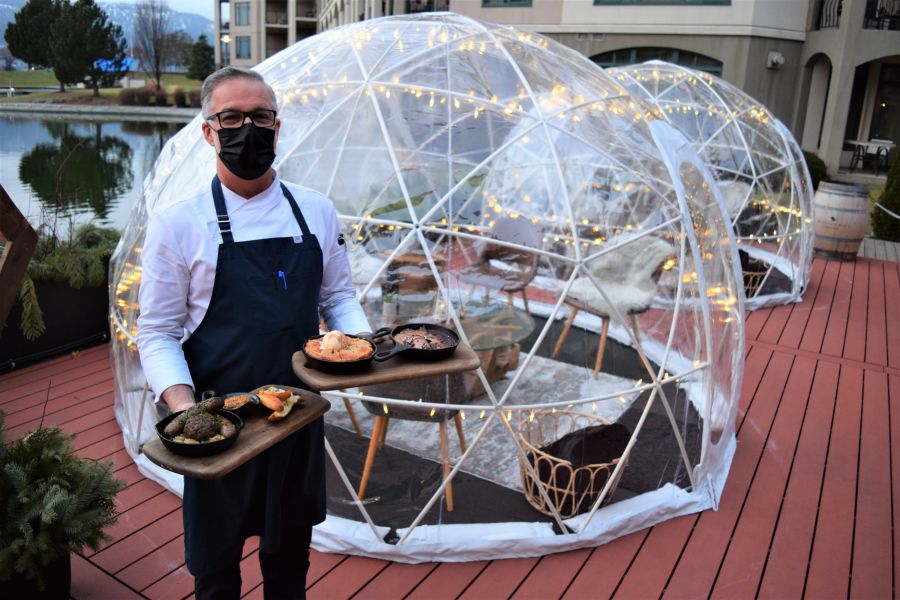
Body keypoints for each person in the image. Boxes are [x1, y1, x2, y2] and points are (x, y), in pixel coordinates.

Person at [136, 66, 370, 599]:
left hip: (297, 417)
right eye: (231, 117)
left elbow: (337, 298)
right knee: (216, 574)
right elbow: (157, 332)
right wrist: (182, 408)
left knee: (289, 562)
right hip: (218, 427)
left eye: (260, 116)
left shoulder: (314, 209)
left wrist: (361, 348)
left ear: (277, 125)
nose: (249, 128)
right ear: (208, 131)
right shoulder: (178, 224)